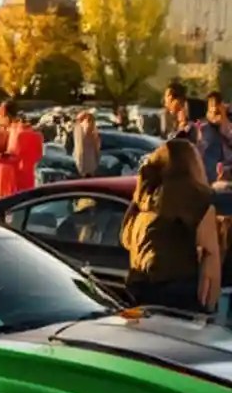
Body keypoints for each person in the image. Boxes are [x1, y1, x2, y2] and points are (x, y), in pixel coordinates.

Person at [121, 139, 221, 313]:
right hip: (179, 292)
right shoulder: (198, 200)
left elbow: (125, 239)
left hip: (138, 288)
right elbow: (210, 261)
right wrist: (209, 308)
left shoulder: (142, 200)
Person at [71, 110, 101, 179]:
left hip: (87, 164)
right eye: (88, 120)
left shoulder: (91, 133)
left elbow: (96, 148)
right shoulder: (81, 130)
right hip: (85, 164)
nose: (90, 123)